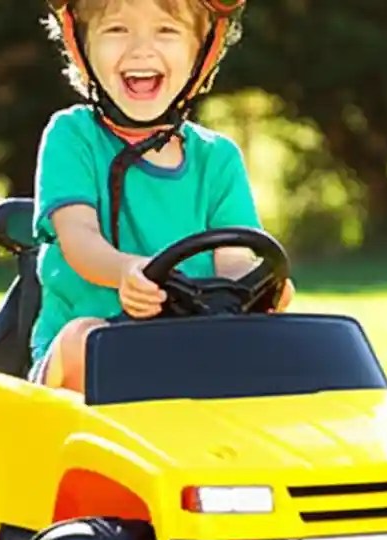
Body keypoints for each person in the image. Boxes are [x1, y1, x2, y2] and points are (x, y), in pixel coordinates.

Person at [28, 0, 294, 392]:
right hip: (84, 358)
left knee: (290, 341)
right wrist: (124, 272)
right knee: (84, 339)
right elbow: (79, 240)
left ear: (202, 51)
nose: (141, 49)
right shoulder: (72, 136)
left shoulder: (217, 159)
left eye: (166, 31)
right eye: (117, 30)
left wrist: (260, 287)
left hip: (190, 350)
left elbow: (234, 261)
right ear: (81, 44)